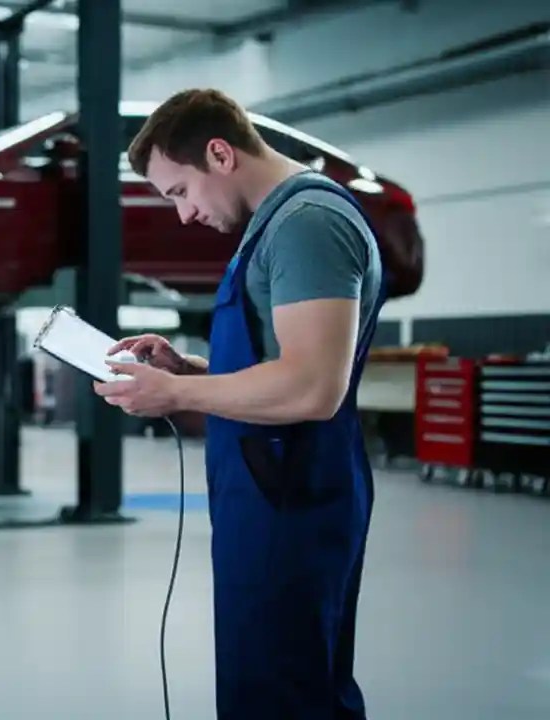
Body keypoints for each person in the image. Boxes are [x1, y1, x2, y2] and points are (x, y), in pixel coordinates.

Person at [94, 89, 385, 720]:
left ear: (220, 153)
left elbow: (313, 386)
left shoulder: (308, 224)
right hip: (265, 495)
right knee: (263, 686)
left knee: (290, 694)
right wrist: (188, 370)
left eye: (179, 192)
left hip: (295, 500)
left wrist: (175, 392)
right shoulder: (276, 224)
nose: (184, 215)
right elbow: (272, 366)